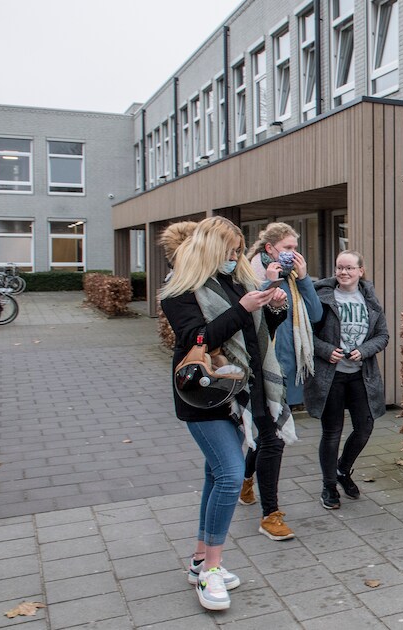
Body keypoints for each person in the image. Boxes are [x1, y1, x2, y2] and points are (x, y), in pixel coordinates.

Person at [159, 216, 290, 611]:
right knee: (232, 475)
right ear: (212, 250)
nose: (236, 258)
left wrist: (274, 308)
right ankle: (212, 570)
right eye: (231, 252)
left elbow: (252, 334)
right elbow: (194, 339)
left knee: (217, 474)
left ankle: (200, 561)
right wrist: (243, 307)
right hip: (204, 395)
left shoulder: (236, 282)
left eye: (237, 251)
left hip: (240, 391)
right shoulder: (178, 292)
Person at [236, 223, 321, 541]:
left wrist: (304, 278)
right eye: (287, 247)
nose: (292, 253)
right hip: (260, 368)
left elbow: (314, 316)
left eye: (295, 247)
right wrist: (267, 283)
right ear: (270, 248)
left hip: (287, 367)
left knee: (268, 435)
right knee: (275, 437)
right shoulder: (250, 273)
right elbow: (246, 316)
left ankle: (246, 478)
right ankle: (269, 514)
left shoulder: (296, 280)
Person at [305, 251, 388, 509]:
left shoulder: (370, 301)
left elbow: (382, 336)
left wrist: (363, 350)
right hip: (331, 377)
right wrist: (325, 350)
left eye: (349, 268)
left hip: (361, 375)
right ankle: (329, 486)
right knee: (332, 432)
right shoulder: (321, 297)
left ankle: (343, 469)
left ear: (360, 271)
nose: (343, 272)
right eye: (339, 268)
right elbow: (306, 333)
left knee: (365, 427)